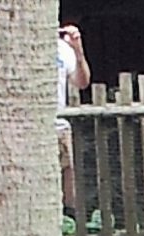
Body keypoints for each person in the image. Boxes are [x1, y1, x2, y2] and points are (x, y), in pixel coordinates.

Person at [56, 22, 91, 219]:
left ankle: (69, 222)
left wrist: (78, 51)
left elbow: (82, 82)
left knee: (68, 186)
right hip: (29, 127)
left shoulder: (62, 49)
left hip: (60, 127)